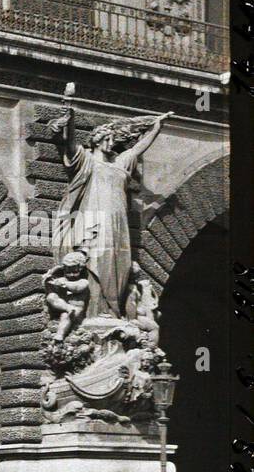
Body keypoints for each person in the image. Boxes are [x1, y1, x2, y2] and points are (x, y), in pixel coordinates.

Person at [51, 87, 171, 319]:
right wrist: (69, 113)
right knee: (96, 260)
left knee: (121, 263)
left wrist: (156, 127)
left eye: (113, 139)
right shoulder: (86, 161)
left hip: (119, 224)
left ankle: (114, 313)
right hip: (94, 221)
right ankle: (95, 313)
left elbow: (138, 148)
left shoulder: (121, 164)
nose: (111, 142)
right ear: (97, 140)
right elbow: (69, 142)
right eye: (107, 139)